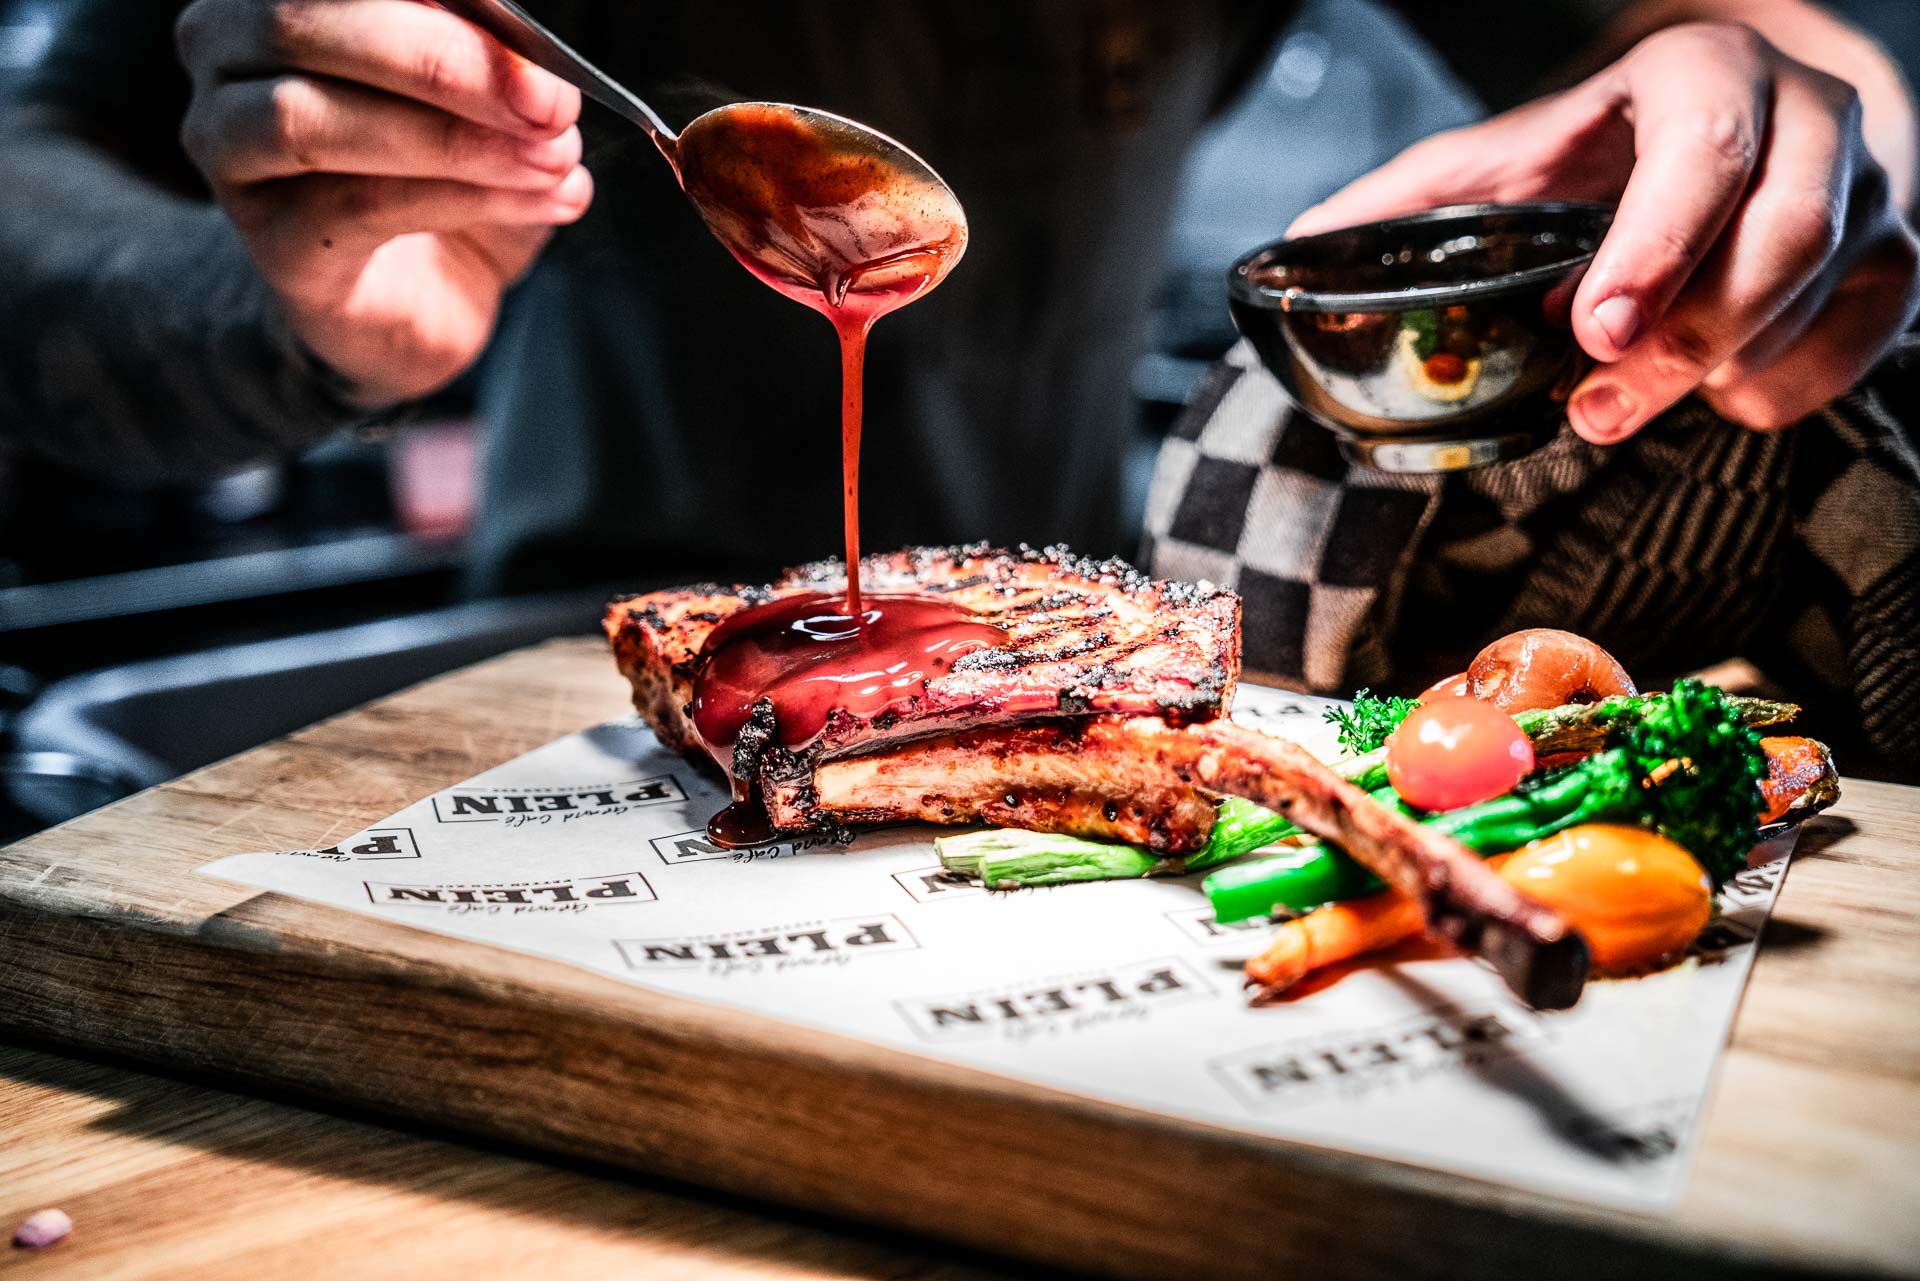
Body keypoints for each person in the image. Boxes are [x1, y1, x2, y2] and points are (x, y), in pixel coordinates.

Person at [0, 1, 1916, 757]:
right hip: (548, 704)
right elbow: (40, 175)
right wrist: (291, 301)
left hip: (1101, 670)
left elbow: (1725, 40)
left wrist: (1795, 138)